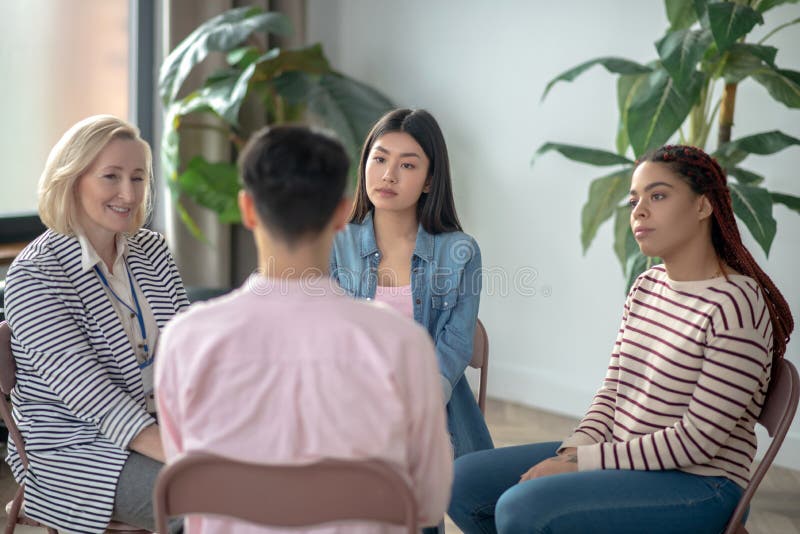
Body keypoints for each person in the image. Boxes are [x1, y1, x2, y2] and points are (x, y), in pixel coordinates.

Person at [448, 145, 794, 534]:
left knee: (522, 508)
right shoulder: (647, 287)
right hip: (629, 459)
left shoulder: (736, 304)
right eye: (634, 200)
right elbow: (613, 391)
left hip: (701, 485)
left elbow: (697, 442)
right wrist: (573, 451)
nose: (639, 211)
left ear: (703, 206)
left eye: (658, 195)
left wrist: (583, 464)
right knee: (462, 483)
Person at [155, 125, 453, 533]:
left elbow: (187, 475)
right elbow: (429, 500)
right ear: (339, 214)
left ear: (247, 209)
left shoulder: (186, 338)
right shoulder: (400, 342)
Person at [3, 115, 189, 533]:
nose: (128, 193)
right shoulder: (35, 276)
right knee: (208, 503)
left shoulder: (153, 251)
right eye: (111, 177)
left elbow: (190, 351)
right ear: (71, 180)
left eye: (138, 178)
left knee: (268, 481)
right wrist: (186, 451)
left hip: (163, 423)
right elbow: (93, 399)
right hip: (77, 449)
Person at [330, 108, 494, 460]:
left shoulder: (460, 252)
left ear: (430, 181)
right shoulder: (334, 243)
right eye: (379, 160)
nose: (388, 175)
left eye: (407, 165)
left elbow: (457, 343)